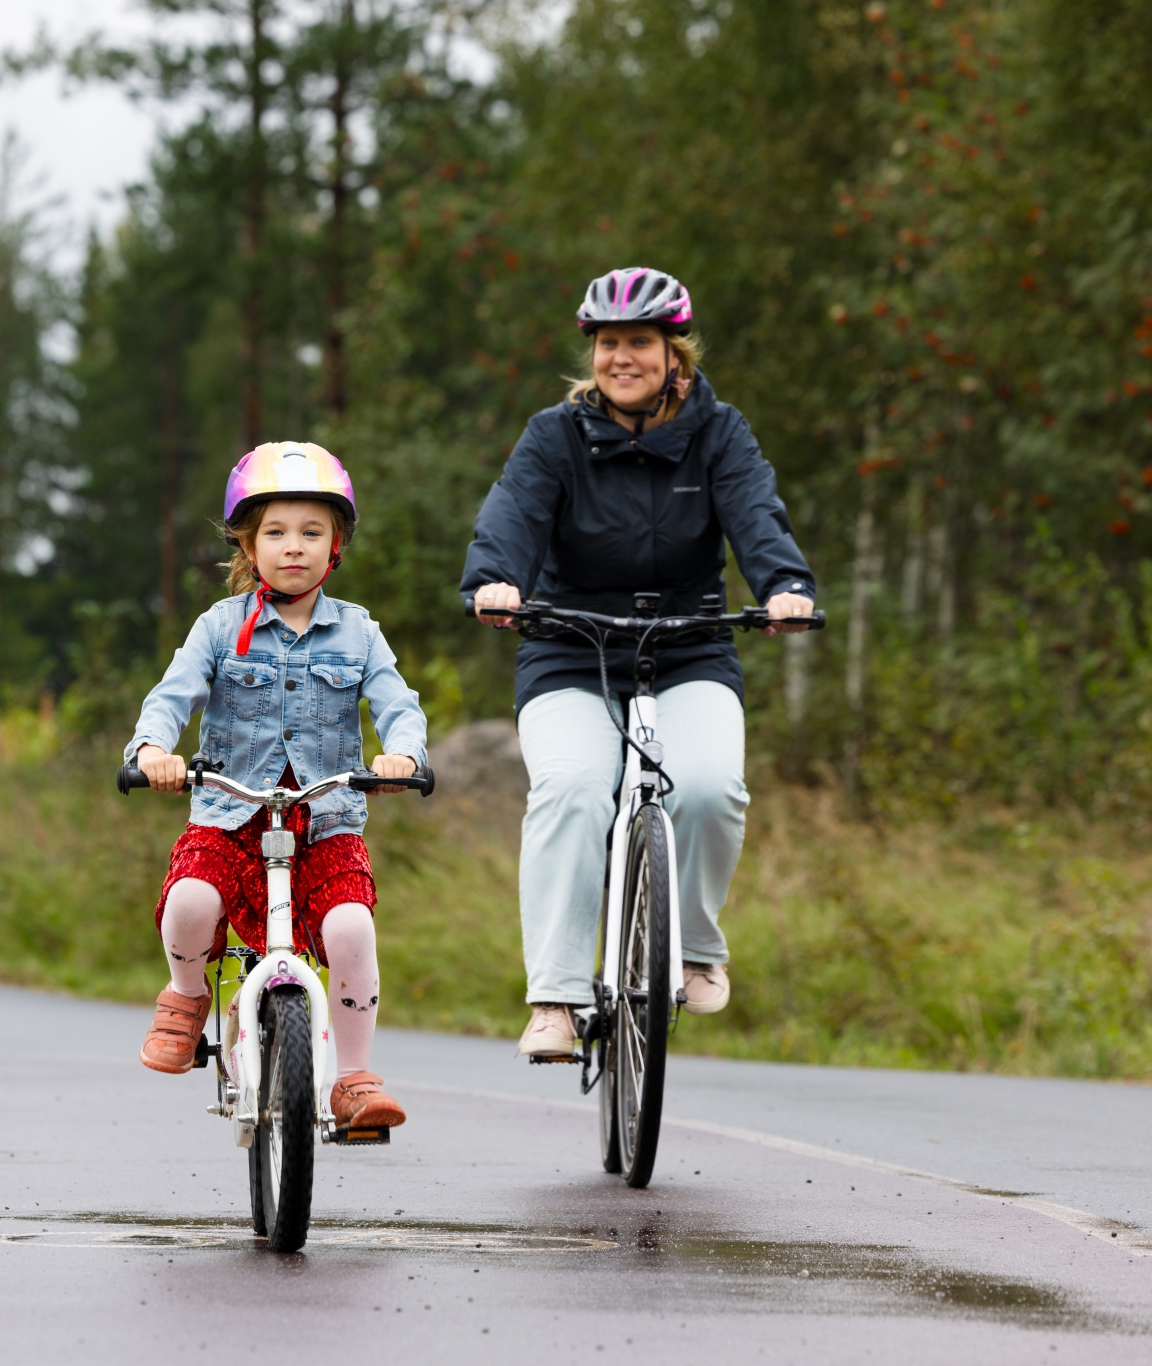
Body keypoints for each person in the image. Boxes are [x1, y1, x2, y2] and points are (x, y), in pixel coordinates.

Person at [460, 267, 817, 1059]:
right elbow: (513, 512)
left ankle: (695, 948)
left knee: (710, 788)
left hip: (689, 641)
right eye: (609, 343)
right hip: (570, 644)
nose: (622, 357)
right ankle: (555, 998)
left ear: (673, 353)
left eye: (640, 343)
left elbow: (755, 512)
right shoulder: (554, 435)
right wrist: (496, 579)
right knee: (571, 789)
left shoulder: (721, 433)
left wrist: (784, 586)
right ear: (593, 353)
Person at [125, 442, 430, 1128]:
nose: (295, 546)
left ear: (336, 545)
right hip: (231, 819)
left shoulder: (359, 633)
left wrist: (402, 755)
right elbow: (172, 697)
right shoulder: (219, 627)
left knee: (351, 929)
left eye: (312, 532)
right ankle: (185, 995)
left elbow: (398, 705)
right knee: (190, 899)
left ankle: (352, 1078)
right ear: (248, 543)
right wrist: (152, 750)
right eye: (276, 532)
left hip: (324, 825)